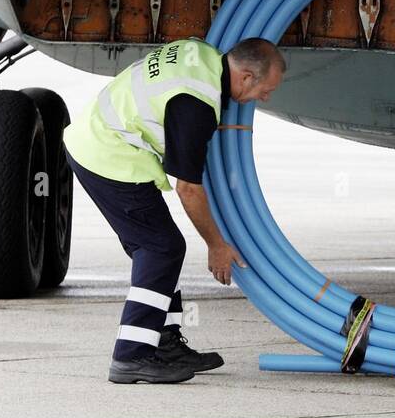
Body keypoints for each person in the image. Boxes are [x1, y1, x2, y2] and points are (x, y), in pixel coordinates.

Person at [63, 37, 285, 384]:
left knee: (155, 249)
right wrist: (216, 245)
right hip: (107, 154)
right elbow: (188, 189)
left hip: (94, 138)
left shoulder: (201, 54)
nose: (266, 97)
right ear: (244, 76)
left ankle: (163, 343)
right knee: (160, 248)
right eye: (265, 89)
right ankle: (132, 355)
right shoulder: (196, 104)